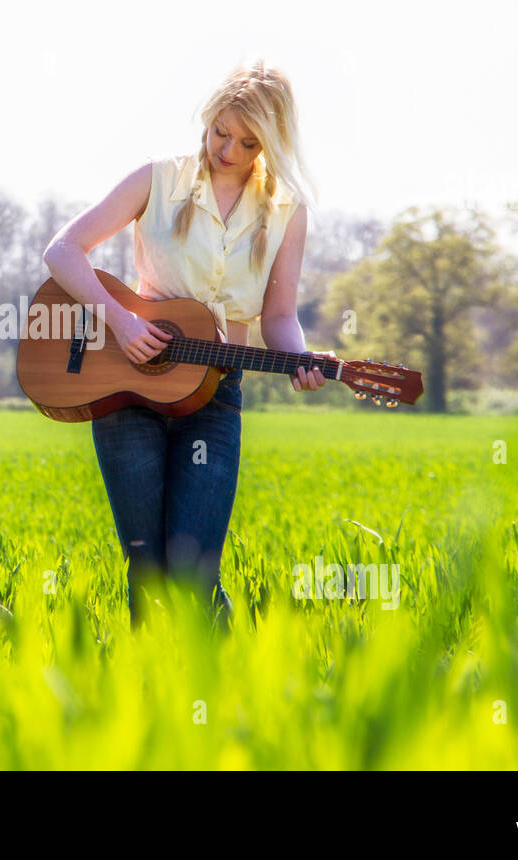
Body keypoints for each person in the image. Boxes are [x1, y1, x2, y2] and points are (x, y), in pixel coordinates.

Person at [41, 58, 335, 634]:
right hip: (130, 390)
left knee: (194, 571)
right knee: (148, 570)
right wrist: (123, 321)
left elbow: (278, 317)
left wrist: (300, 356)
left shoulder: (285, 212)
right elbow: (63, 251)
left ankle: (220, 696)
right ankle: (152, 702)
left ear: (271, 144)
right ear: (207, 118)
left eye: (248, 142)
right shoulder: (155, 179)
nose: (227, 149)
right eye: (220, 131)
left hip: (216, 398)